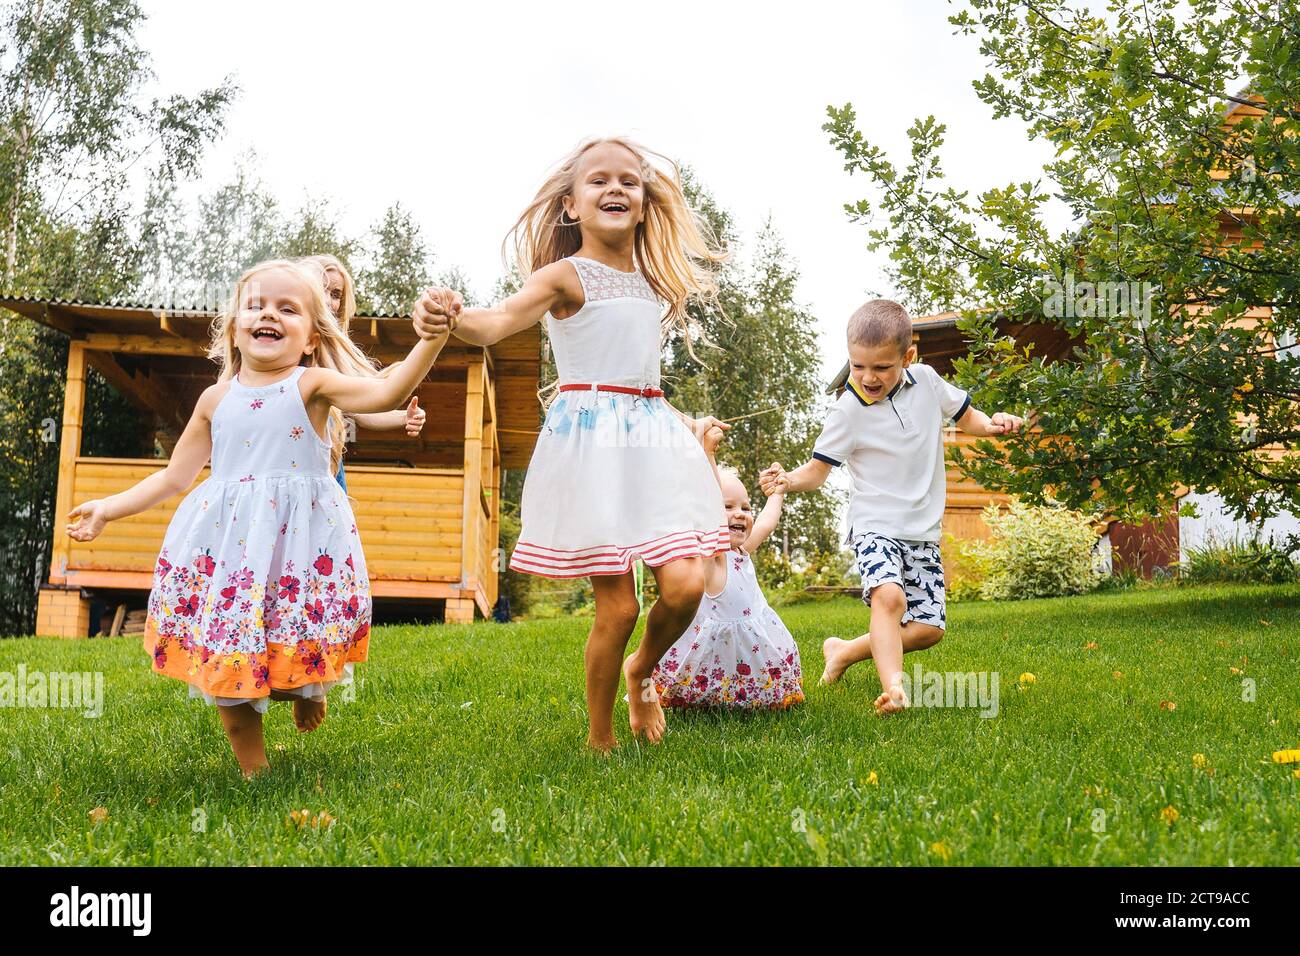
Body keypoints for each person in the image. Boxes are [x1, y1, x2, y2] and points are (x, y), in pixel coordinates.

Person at [66, 258, 452, 775]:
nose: (268, 314)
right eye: (256, 305)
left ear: (312, 337)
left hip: (297, 554)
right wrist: (107, 508)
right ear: (234, 327)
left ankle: (307, 687)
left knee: (292, 656)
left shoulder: (313, 385)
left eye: (286, 309)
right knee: (231, 658)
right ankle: (255, 770)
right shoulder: (215, 399)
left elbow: (386, 393)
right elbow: (174, 478)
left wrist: (430, 338)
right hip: (233, 558)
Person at [413, 137, 729, 750]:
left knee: (688, 585)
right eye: (599, 181)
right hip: (592, 449)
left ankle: (642, 670)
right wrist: (450, 315)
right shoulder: (563, 276)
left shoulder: (651, 281)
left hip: (652, 441)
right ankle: (602, 737)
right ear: (570, 205)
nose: (616, 189)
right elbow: (497, 320)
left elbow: (639, 364)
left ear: (643, 204)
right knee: (619, 607)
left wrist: (682, 423)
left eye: (629, 182)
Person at [761, 299, 1023, 714]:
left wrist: (993, 424)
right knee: (889, 599)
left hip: (921, 529)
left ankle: (844, 652)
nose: (867, 377)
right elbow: (816, 471)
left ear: (907, 357)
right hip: (875, 524)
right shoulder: (847, 411)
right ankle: (895, 690)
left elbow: (967, 416)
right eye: (858, 365)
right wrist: (787, 480)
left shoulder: (927, 382)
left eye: (881, 367)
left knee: (927, 630)